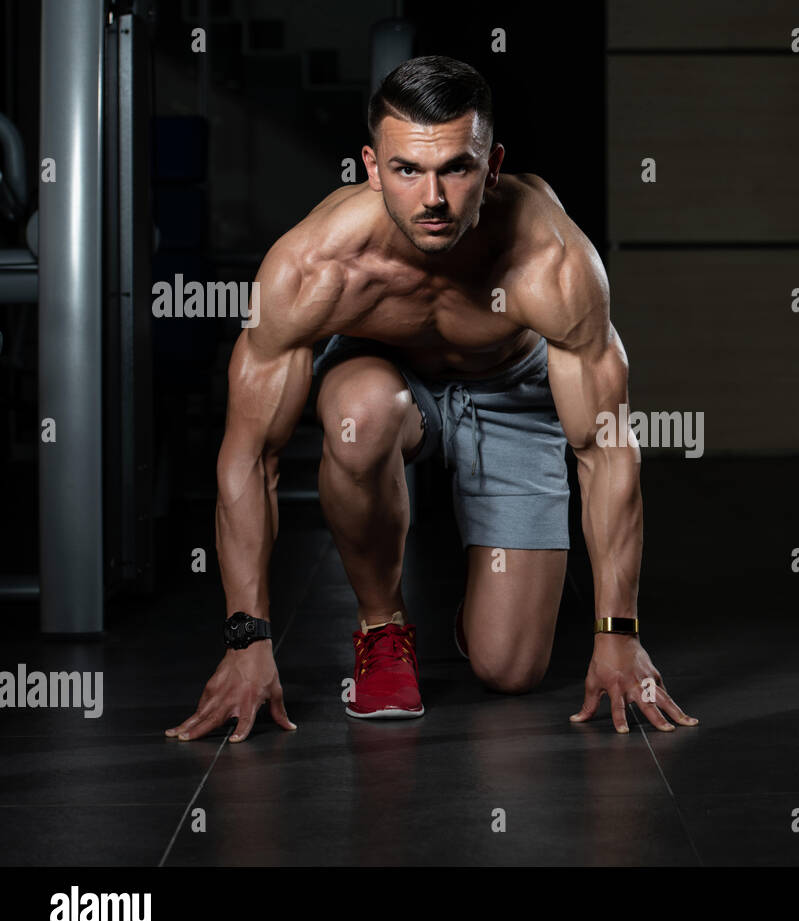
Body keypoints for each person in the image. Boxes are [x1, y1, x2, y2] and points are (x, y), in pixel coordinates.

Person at [166, 55, 695, 743]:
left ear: (493, 163)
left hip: (511, 393)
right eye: (407, 170)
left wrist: (618, 634)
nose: (433, 199)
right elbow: (250, 454)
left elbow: (604, 448)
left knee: (511, 670)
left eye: (457, 167)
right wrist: (247, 640)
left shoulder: (551, 261)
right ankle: (383, 631)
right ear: (369, 164)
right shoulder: (315, 266)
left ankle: (487, 609)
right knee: (358, 416)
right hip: (384, 380)